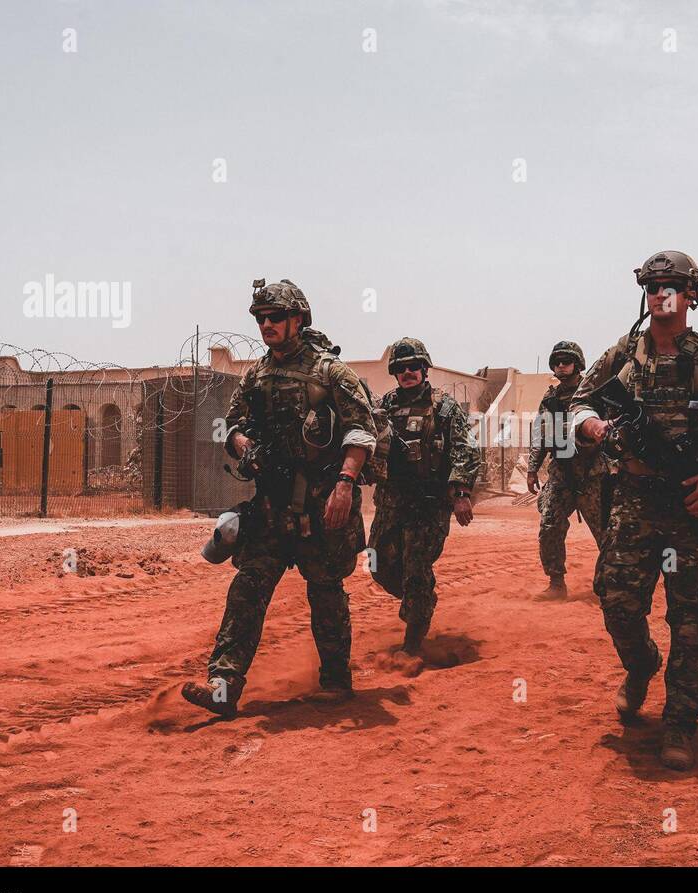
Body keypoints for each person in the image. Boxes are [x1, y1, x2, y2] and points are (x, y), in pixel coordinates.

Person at [569, 250, 698, 771]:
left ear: (692, 294)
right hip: (632, 501)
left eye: (671, 285)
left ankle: (680, 722)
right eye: (652, 286)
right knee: (617, 605)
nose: (660, 294)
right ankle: (640, 665)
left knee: (690, 620)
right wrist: (593, 427)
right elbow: (580, 403)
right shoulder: (622, 355)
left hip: (691, 507)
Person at [183, 279, 376, 714]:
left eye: (274, 317)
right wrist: (242, 445)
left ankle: (335, 680)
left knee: (325, 589)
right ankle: (224, 686)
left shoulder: (330, 373)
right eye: (259, 318)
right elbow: (231, 425)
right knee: (248, 587)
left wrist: (345, 485)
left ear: (298, 320)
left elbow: (362, 431)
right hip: (271, 505)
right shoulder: (258, 375)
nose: (265, 325)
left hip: (324, 501)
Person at [367, 337, 479, 653]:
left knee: (416, 567)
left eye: (413, 366)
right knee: (378, 564)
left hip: (427, 505)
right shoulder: (384, 407)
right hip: (391, 501)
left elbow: (465, 449)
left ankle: (413, 638)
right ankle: (421, 598)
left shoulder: (444, 407)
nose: (408, 372)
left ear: (424, 368)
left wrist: (460, 492)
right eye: (401, 368)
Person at [527, 341, 609, 599]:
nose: (561, 366)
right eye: (557, 362)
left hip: (592, 474)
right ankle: (556, 583)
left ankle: (609, 584)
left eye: (567, 361)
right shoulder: (550, 399)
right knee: (549, 524)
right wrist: (532, 469)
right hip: (561, 474)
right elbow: (540, 435)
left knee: (607, 532)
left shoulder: (593, 393)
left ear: (578, 364)